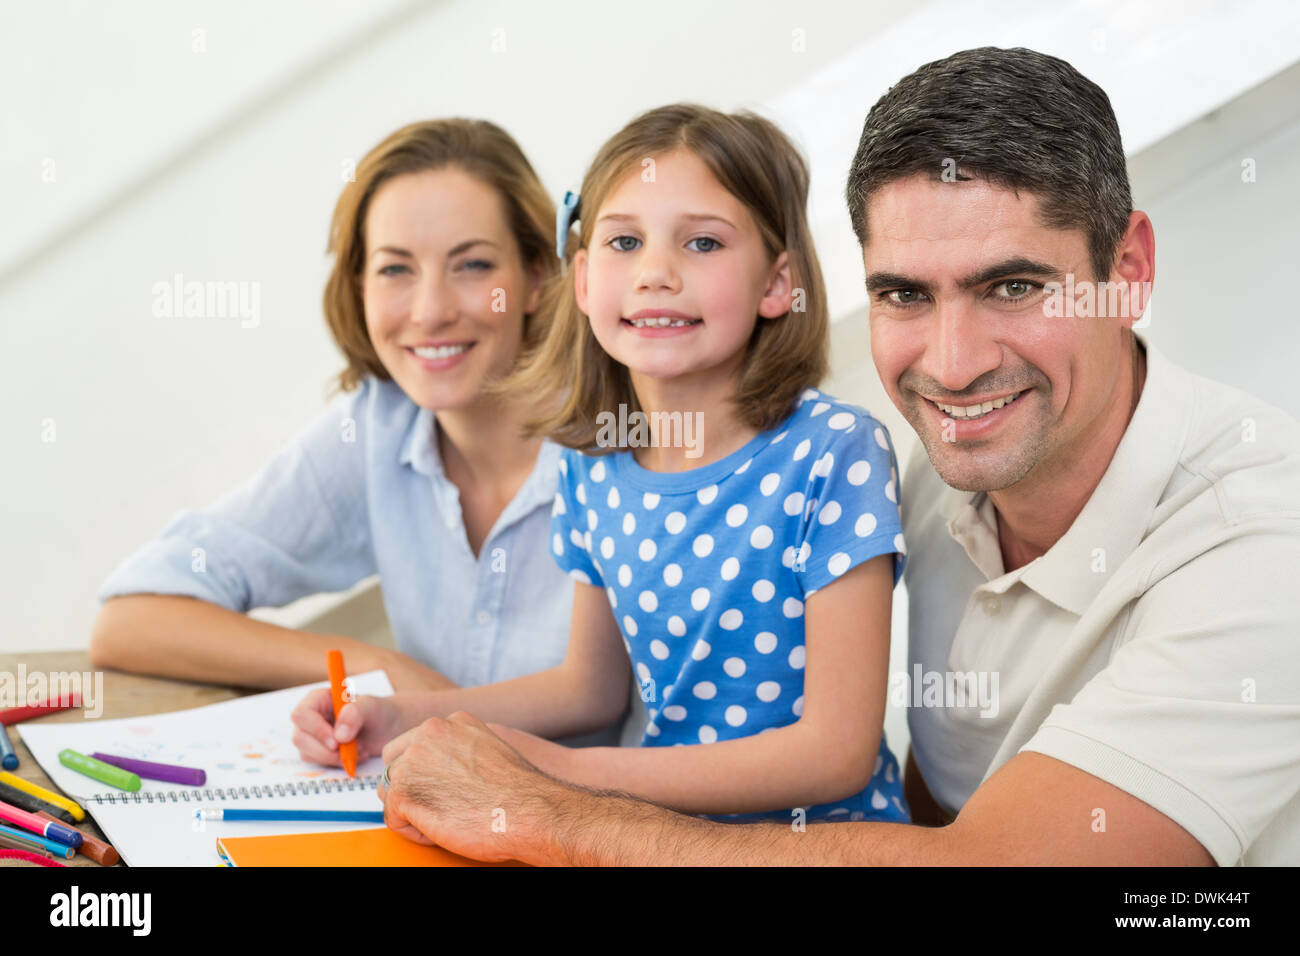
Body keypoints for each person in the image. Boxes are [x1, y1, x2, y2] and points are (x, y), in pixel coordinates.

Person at [372, 48, 1300, 865]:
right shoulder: (940, 474)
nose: (953, 363)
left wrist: (549, 808)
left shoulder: (1263, 548)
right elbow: (943, 801)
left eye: (1013, 286)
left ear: (1128, 270)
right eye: (902, 295)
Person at [294, 104, 910, 824]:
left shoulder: (835, 451)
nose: (655, 273)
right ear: (583, 281)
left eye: (703, 243)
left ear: (777, 283)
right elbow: (587, 690)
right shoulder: (592, 463)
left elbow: (834, 753)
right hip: (649, 836)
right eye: (624, 242)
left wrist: (562, 772)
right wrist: (401, 715)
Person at [90, 120, 623, 748]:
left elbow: (597, 698)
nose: (430, 311)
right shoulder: (378, 427)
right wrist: (375, 669)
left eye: (472, 265)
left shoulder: (619, 434)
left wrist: (420, 709)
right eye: (396, 270)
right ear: (360, 287)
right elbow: (129, 620)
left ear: (538, 276)